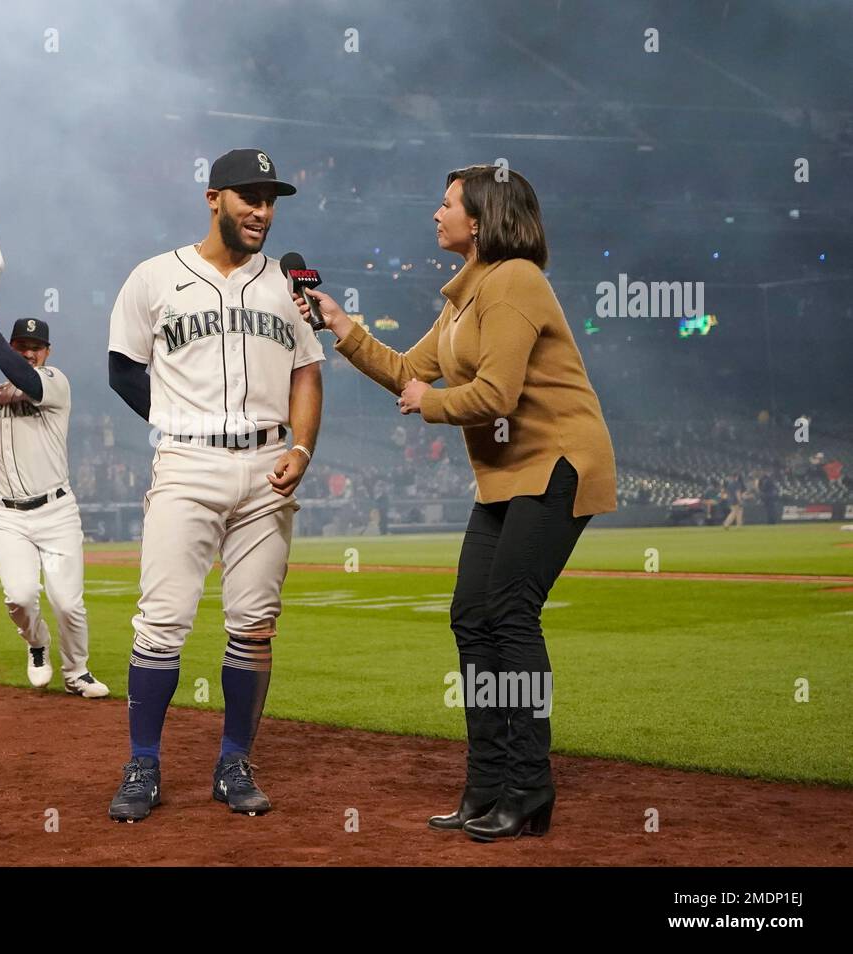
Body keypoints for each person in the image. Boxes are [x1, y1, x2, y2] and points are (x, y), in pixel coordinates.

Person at [294, 163, 616, 842]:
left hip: (558, 463)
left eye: (445, 205)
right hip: (504, 475)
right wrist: (341, 326)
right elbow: (411, 372)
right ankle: (487, 783)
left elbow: (495, 394)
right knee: (471, 616)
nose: (434, 214)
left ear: (481, 218)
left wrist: (432, 405)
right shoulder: (464, 298)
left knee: (510, 613)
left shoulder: (516, 282)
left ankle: (529, 785)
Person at [105, 147, 325, 821]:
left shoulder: (286, 286)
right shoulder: (153, 277)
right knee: (162, 623)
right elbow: (122, 367)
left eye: (270, 200)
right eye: (248, 197)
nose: (262, 211)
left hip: (267, 467)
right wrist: (178, 421)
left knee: (254, 626)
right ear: (213, 199)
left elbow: (308, 374)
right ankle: (142, 763)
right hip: (187, 463)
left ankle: (233, 763)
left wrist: (304, 446)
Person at [0, 306, 109, 701]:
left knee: (67, 602)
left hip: (56, 510)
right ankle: (37, 644)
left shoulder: (55, 383)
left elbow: (24, 379)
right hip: (6, 515)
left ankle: (77, 672)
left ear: (47, 353)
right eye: (21, 346)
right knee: (19, 596)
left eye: (35, 347)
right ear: (12, 347)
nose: (28, 353)